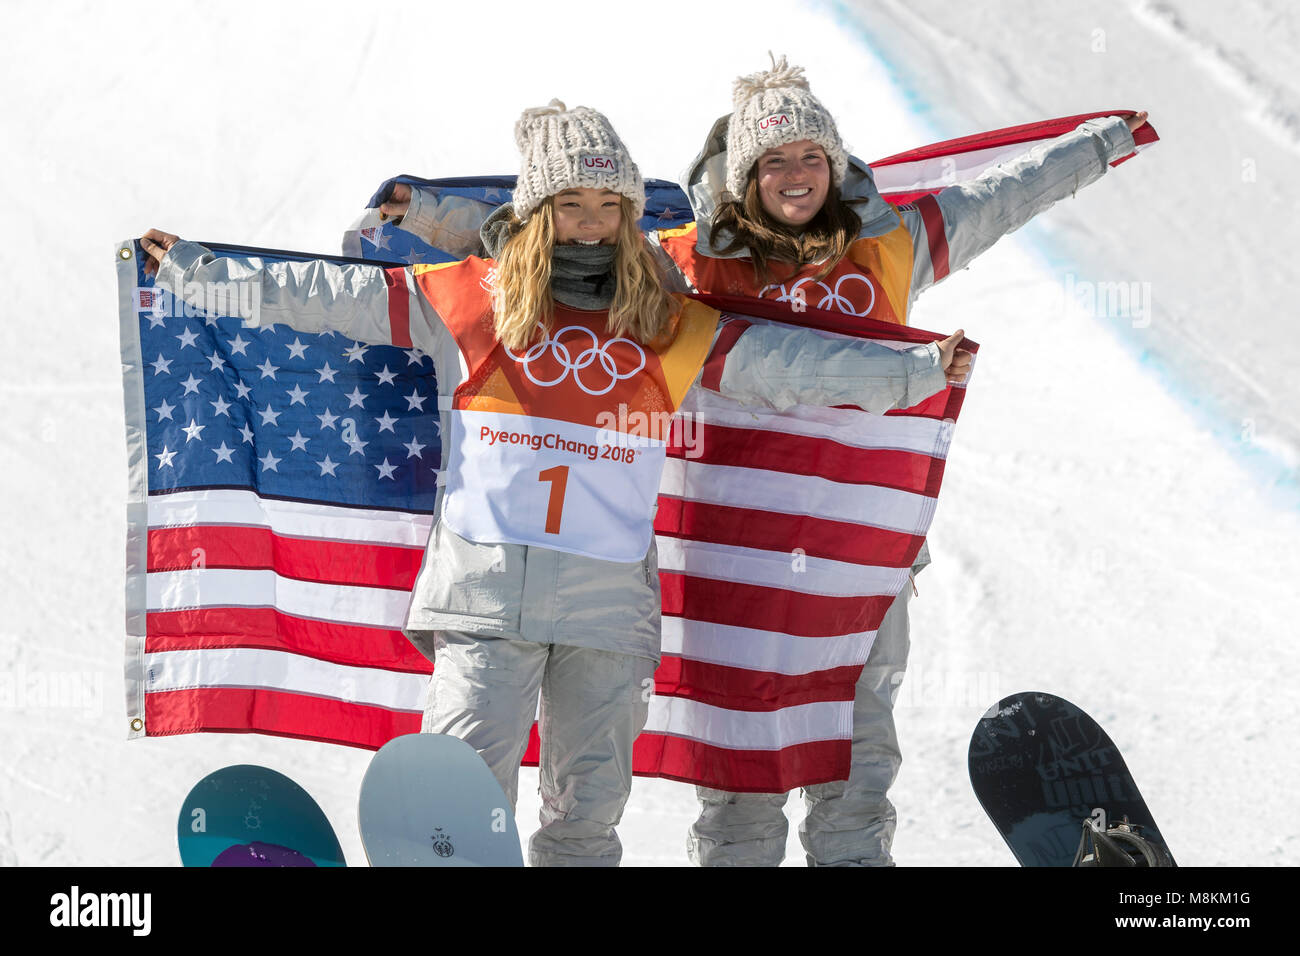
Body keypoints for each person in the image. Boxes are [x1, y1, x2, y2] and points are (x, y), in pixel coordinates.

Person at [140, 99, 971, 866]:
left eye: (612, 208)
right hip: (484, 606)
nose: (593, 224)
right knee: (460, 809)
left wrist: (914, 373)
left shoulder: (666, 321)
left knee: (584, 819)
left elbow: (788, 364)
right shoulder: (468, 299)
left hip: (605, 620)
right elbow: (328, 297)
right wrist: (202, 274)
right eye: (574, 205)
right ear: (538, 212)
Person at [647, 54, 1149, 867]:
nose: (797, 174)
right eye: (774, 160)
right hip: (735, 555)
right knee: (740, 776)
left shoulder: (891, 246)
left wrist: (1097, 145)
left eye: (813, 156)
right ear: (744, 175)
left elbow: (1001, 196)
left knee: (857, 762)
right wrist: (432, 220)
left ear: (838, 165)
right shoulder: (686, 264)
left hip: (859, 555)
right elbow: (572, 252)